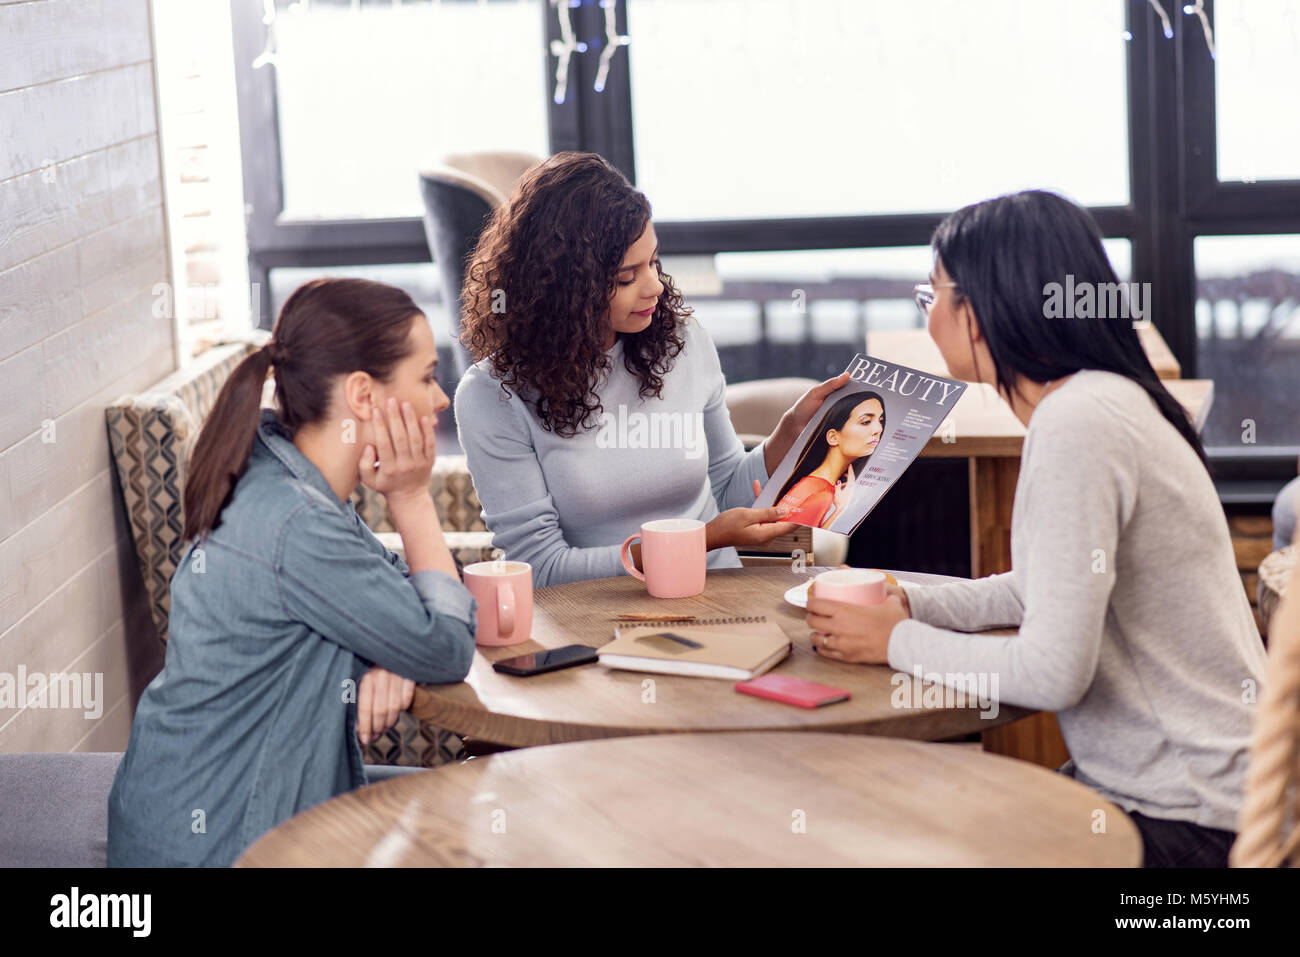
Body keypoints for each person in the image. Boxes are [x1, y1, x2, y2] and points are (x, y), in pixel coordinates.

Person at [804, 190, 1269, 868]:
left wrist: (895, 641)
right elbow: (1043, 588)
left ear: (981, 308)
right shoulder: (1103, 399)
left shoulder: (1076, 423)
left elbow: (1052, 674)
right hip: (1205, 799)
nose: (928, 314)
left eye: (932, 294)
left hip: (1197, 826)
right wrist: (916, 601)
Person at [108, 278, 477, 867]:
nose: (440, 401)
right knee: (478, 824)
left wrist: (392, 647)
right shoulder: (298, 523)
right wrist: (410, 499)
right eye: (428, 376)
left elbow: (400, 604)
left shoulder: (282, 467)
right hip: (222, 842)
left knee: (469, 808)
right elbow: (446, 644)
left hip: (201, 812)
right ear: (363, 394)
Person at [454, 151, 848, 588]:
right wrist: (699, 540)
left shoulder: (683, 341)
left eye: (654, 262)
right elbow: (541, 568)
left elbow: (728, 488)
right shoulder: (492, 396)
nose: (655, 286)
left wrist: (790, 434)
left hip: (716, 597)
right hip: (592, 617)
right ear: (564, 289)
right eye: (626, 277)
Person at [772, 391, 885, 529]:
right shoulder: (821, 494)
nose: (878, 429)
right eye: (866, 421)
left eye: (880, 421)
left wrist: (839, 509)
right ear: (833, 437)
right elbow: (798, 543)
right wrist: (839, 510)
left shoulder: (815, 485)